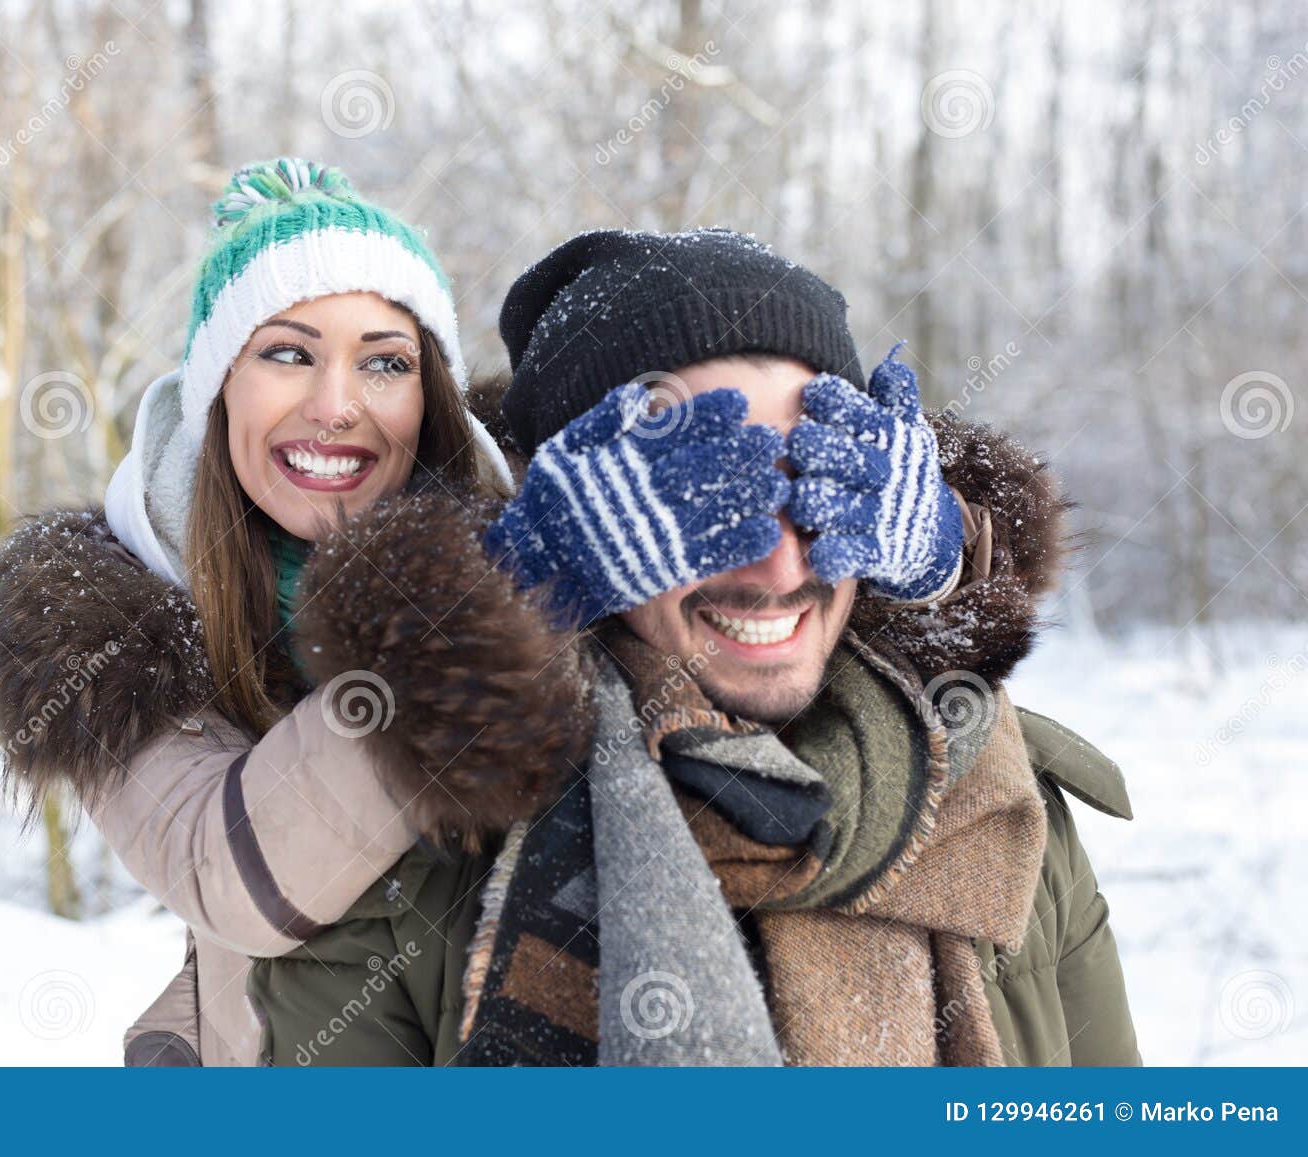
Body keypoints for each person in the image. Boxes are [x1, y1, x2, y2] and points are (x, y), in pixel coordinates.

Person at [245, 227, 1141, 1067]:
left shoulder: (1004, 808)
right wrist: (505, 610)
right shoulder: (399, 866)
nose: (777, 560)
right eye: (700, 500)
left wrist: (955, 554)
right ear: (580, 530)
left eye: (810, 478)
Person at [0, 158, 589, 1065]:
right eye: (288, 353)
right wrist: (463, 642)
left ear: (429, 398)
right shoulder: (110, 621)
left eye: (384, 362)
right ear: (219, 388)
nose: (336, 406)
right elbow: (235, 877)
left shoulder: (530, 531)